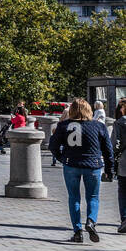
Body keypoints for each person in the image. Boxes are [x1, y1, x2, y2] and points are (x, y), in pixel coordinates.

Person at [49, 97, 115, 243]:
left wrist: (62, 158)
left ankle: (77, 232)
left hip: (71, 164)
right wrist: (110, 169)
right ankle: (91, 222)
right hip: (93, 165)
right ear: (89, 110)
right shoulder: (98, 126)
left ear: (71, 110)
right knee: (93, 197)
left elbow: (52, 146)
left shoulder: (64, 125)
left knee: (74, 198)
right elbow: (108, 150)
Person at [112, 99, 126, 233]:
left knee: (123, 191)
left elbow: (115, 144)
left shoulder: (119, 123)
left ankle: (125, 220)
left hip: (124, 161)